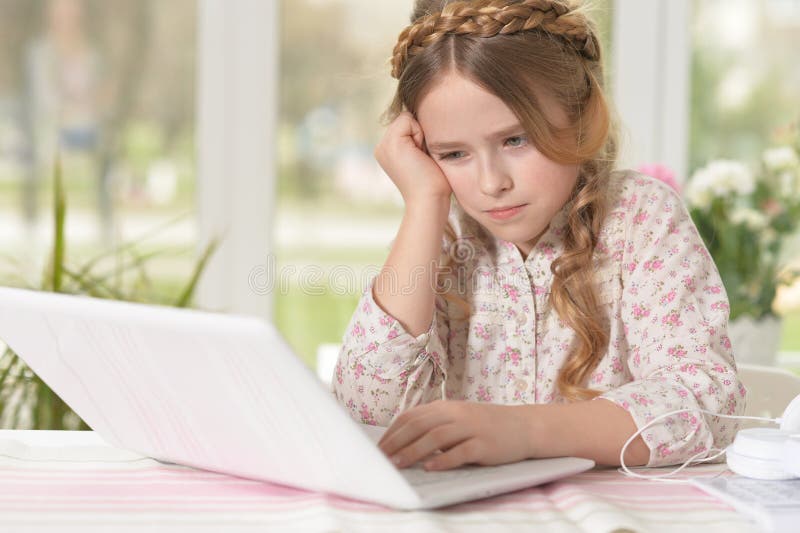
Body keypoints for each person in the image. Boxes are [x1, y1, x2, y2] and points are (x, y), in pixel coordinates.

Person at [332, 0, 745, 472]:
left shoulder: (640, 217)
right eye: (453, 153)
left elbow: (705, 399)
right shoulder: (439, 236)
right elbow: (365, 412)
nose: (492, 183)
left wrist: (524, 431)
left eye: (515, 140)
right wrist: (423, 204)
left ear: (583, 117)